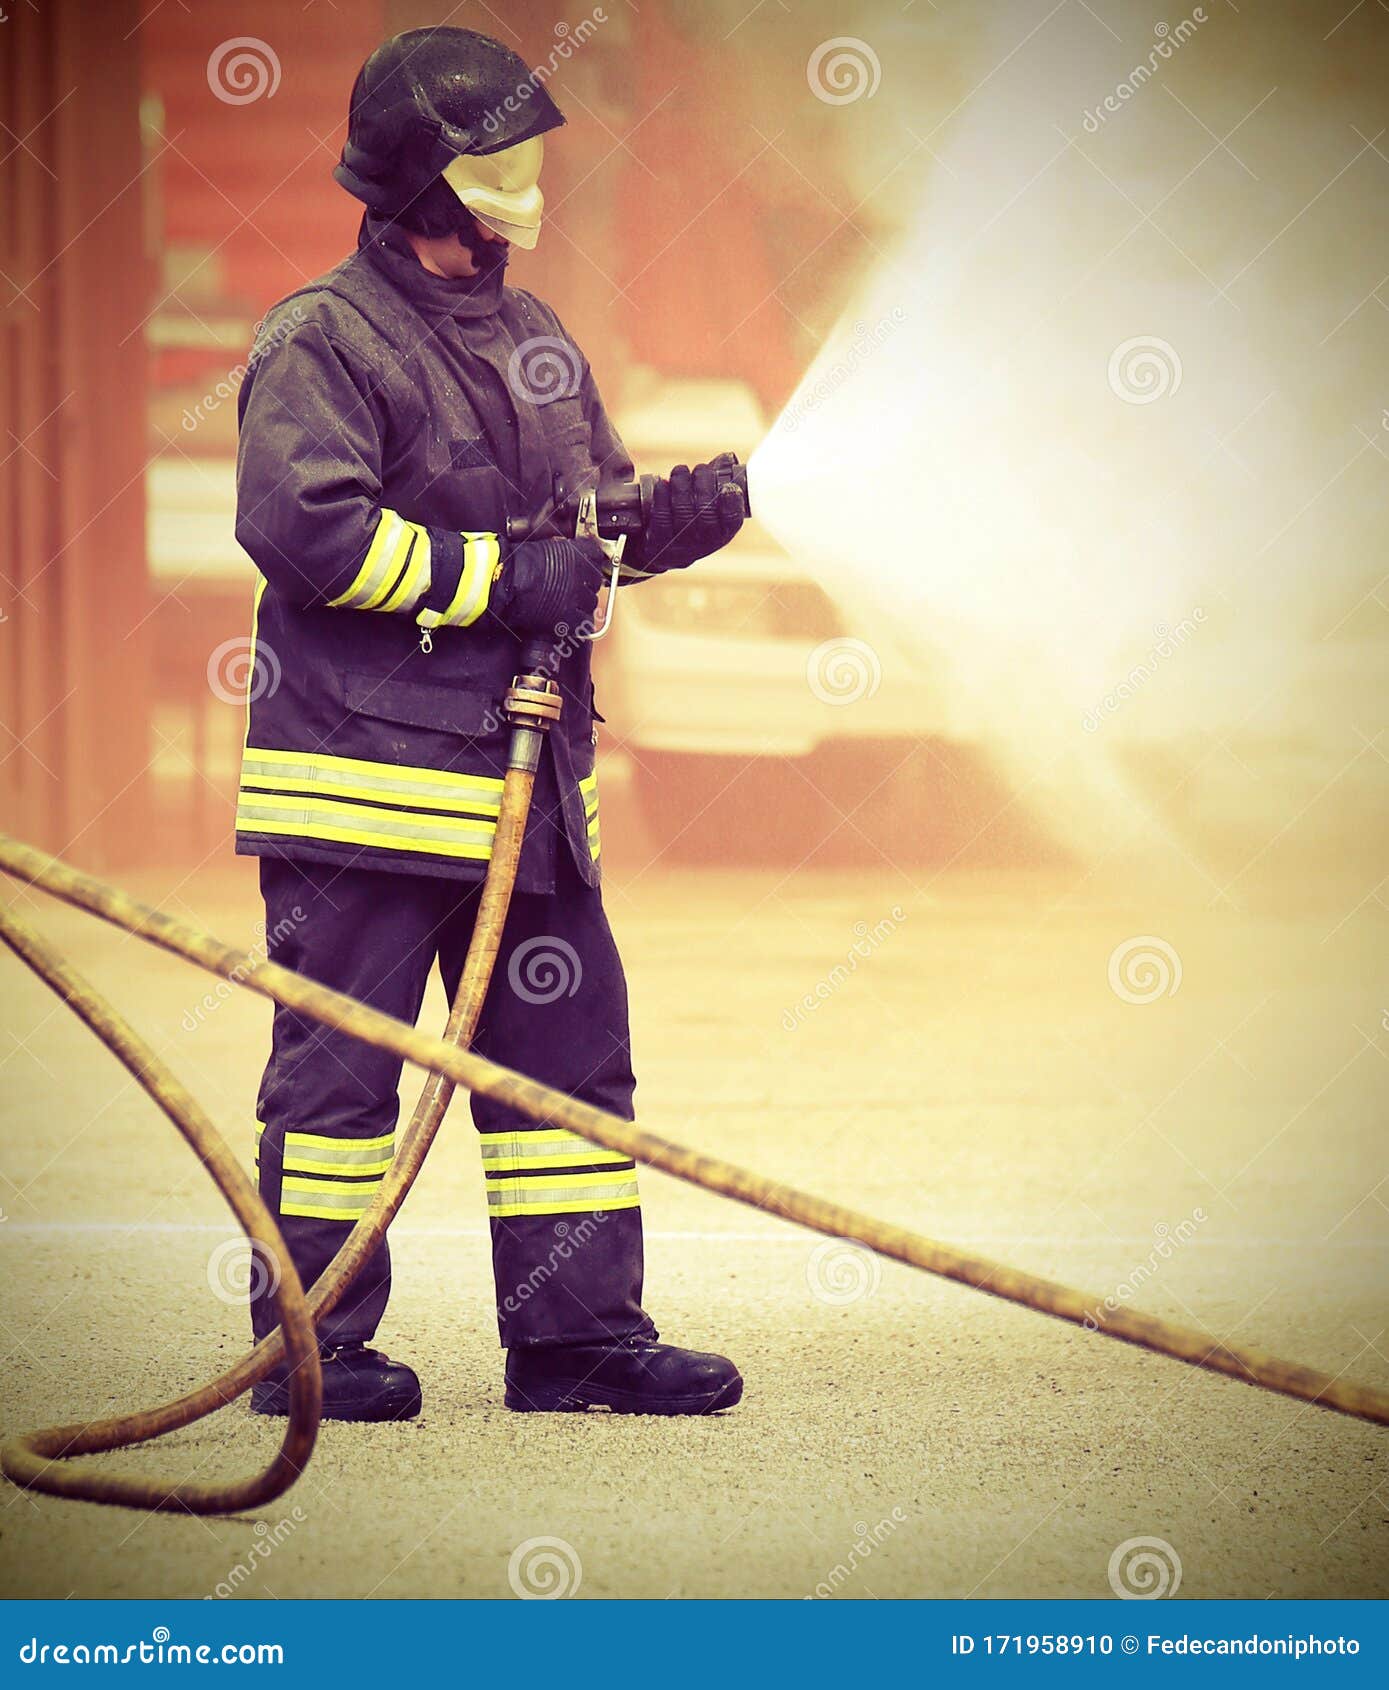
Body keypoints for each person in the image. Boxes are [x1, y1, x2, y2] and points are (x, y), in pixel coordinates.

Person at [232, 27, 745, 1421]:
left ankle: (577, 1342)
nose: (518, 192)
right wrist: (497, 581)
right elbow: (308, 533)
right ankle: (316, 1346)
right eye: (491, 164)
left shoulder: (536, 342)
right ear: (418, 175)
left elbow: (579, 533)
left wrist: (661, 529)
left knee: (567, 1069)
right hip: (367, 792)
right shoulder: (322, 339)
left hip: (529, 793)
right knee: (339, 1082)